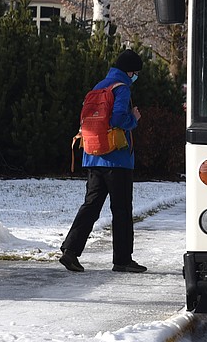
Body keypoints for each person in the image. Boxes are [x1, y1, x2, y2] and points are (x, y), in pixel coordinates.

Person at [59, 49, 146, 274]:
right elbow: (118, 119)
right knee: (122, 209)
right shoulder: (122, 88)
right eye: (136, 73)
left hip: (93, 155)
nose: (135, 77)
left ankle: (70, 250)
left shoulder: (99, 86)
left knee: (90, 206)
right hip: (117, 159)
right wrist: (134, 119)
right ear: (130, 72)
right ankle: (122, 260)